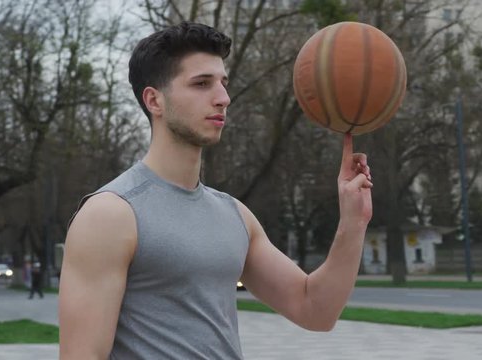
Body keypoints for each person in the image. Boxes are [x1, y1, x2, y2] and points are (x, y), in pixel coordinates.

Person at [58, 22, 372, 359]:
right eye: (201, 84)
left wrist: (353, 222)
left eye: (223, 83)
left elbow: (315, 310)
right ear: (155, 101)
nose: (223, 98)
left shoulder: (234, 215)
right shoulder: (111, 214)